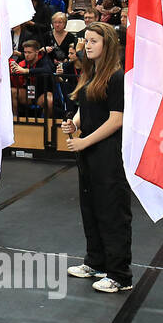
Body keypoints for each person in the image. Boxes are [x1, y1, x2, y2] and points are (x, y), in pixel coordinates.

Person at [62, 22, 133, 292]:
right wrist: (75, 126)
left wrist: (84, 141)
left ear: (108, 44)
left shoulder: (117, 77)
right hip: (89, 151)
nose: (87, 45)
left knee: (112, 212)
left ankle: (119, 275)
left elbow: (116, 120)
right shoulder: (91, 74)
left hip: (107, 153)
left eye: (93, 41)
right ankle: (96, 261)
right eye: (86, 40)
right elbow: (86, 107)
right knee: (90, 208)